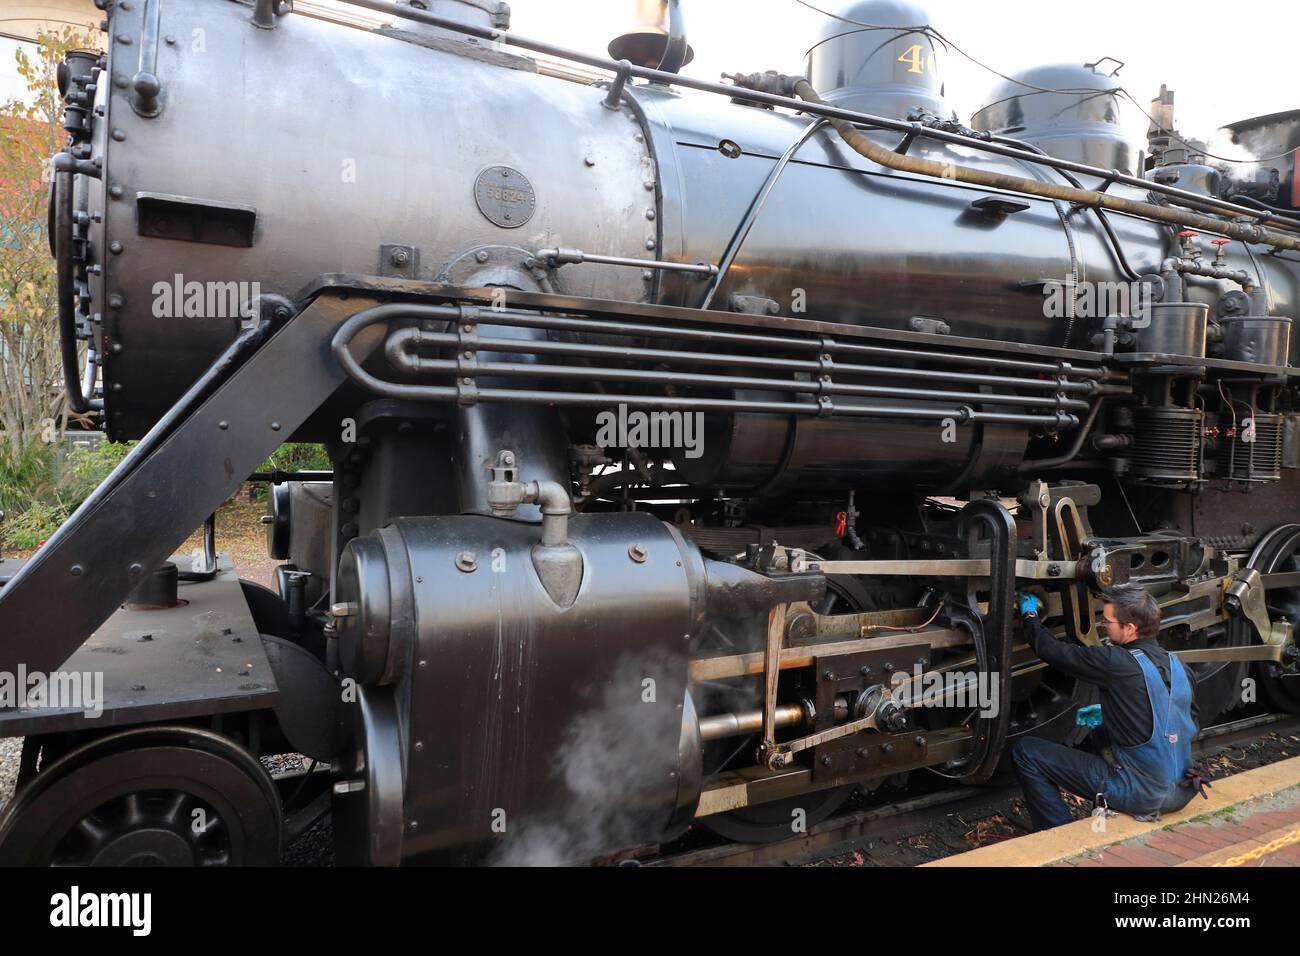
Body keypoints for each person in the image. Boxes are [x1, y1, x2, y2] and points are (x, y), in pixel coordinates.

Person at [1009, 585, 1208, 831]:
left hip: (1140, 794)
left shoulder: (1116, 661)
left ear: (1130, 629)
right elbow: (1188, 723)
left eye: (1107, 621)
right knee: (1101, 736)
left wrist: (1030, 616)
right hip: (1182, 791)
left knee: (1026, 751)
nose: (1103, 626)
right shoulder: (1179, 666)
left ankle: (1056, 830)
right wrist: (1116, 717)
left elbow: (1052, 651)